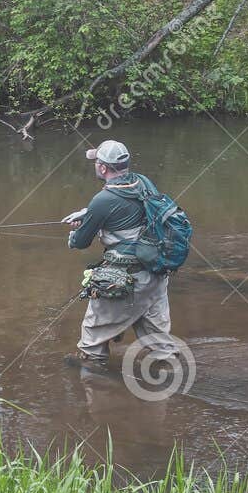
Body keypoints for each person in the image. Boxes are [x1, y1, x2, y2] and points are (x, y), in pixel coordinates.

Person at [61, 140, 183, 370]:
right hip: (155, 274)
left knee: (92, 338)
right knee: (160, 344)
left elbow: (80, 242)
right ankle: (170, 383)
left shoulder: (103, 200)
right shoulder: (143, 182)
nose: (95, 165)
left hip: (126, 279)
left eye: (96, 162)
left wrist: (77, 229)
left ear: (103, 168)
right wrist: (89, 214)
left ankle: (96, 381)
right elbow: (131, 211)